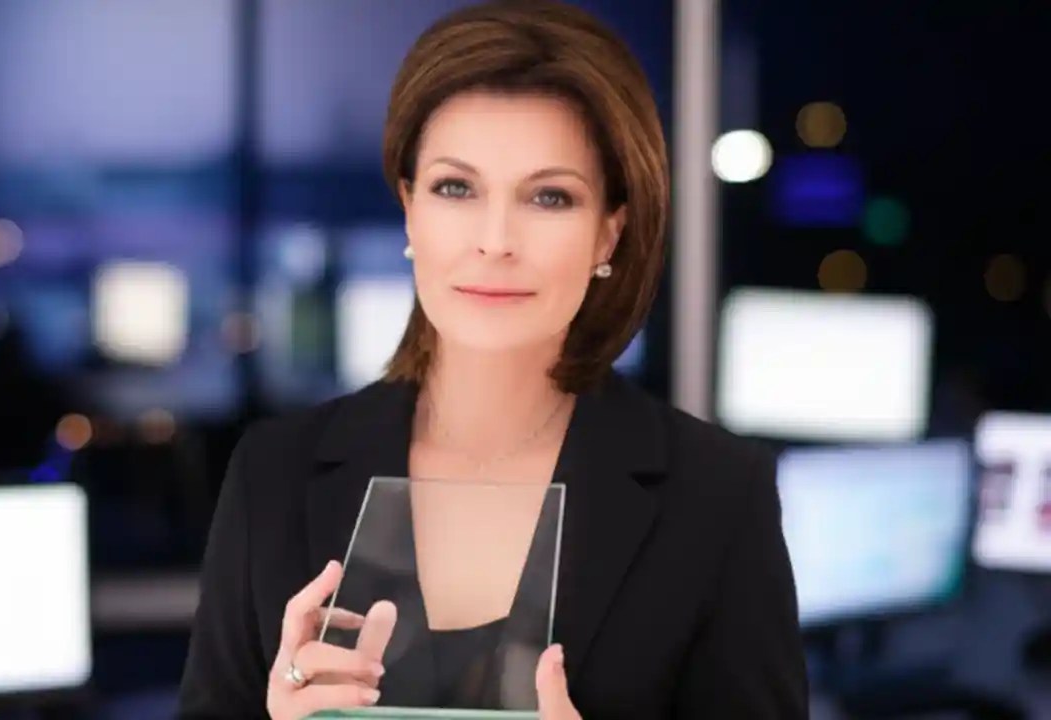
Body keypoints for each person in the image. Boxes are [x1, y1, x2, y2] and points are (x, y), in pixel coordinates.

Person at [178, 1, 808, 717]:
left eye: (549, 197)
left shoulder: (716, 496)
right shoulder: (275, 474)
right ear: (409, 207)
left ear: (610, 233)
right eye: (456, 188)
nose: (496, 239)